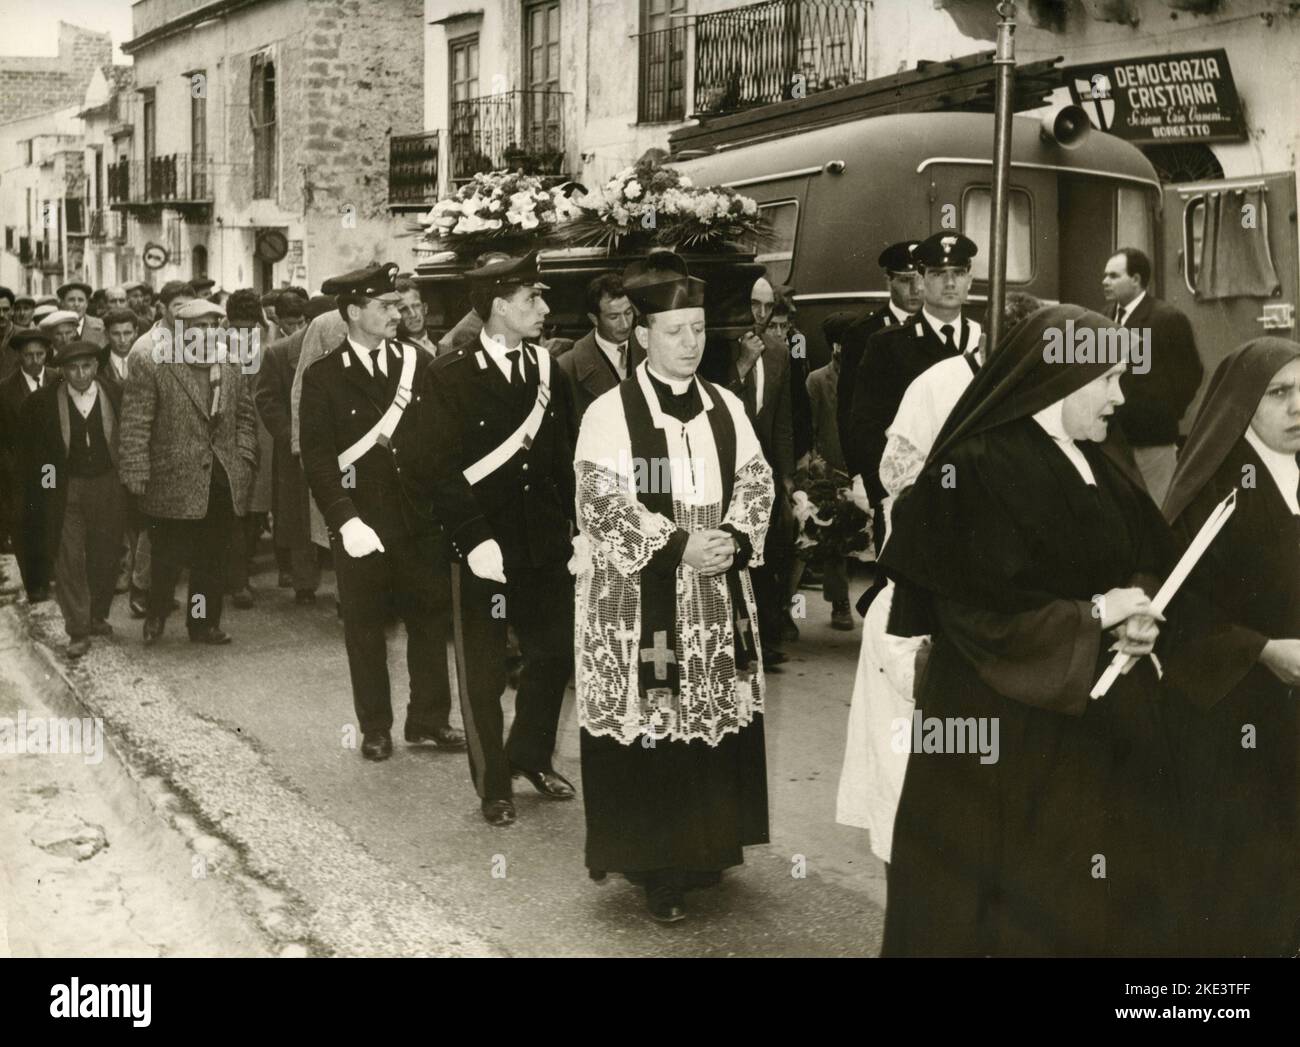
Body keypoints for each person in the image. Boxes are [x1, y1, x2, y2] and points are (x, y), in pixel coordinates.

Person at [876, 303, 1181, 957]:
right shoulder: (977, 466)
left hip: (1080, 730)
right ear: (1063, 375)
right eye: (1109, 379)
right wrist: (1095, 614)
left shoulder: (1101, 460)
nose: (1120, 398)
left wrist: (1138, 616)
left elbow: (1142, 562)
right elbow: (975, 620)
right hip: (994, 734)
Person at [573, 251, 774, 922]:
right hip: (640, 595)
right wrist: (679, 544)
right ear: (642, 334)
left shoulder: (727, 406)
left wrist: (735, 539)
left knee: (709, 710)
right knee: (655, 716)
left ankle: (704, 848)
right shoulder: (610, 411)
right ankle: (656, 867)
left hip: (714, 588)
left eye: (698, 329)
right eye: (674, 331)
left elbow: (756, 479)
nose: (690, 343)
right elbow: (601, 500)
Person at [835, 293, 1040, 864]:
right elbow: (895, 475)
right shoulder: (937, 383)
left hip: (1003, 594)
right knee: (913, 745)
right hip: (928, 584)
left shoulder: (1043, 392)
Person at [410, 251, 577, 826]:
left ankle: (530, 754)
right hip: (482, 546)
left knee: (554, 653)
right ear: (500, 307)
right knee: (482, 672)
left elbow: (562, 459)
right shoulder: (449, 374)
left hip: (544, 544)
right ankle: (494, 785)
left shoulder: (549, 370)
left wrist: (575, 529)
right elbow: (435, 467)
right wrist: (473, 536)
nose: (544, 308)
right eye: (534, 299)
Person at [1160, 338, 1300, 957]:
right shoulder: (1217, 483)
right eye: (1280, 394)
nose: (1298, 407)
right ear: (1243, 403)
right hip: (1237, 715)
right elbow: (1175, 610)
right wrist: (1261, 650)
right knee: (1243, 880)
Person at [299, 263, 465, 762]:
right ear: (353, 312)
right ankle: (375, 726)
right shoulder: (323, 376)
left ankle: (429, 718)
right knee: (365, 627)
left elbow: (436, 442)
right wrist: (344, 520)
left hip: (417, 520)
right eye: (385, 306)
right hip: (361, 524)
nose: (398, 313)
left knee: (430, 621)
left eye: (397, 304)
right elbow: (318, 458)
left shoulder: (417, 362)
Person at [118, 298, 258, 645]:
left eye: (214, 326)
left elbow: (244, 414)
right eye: (199, 327)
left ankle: (202, 623)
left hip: (220, 478)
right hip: (171, 479)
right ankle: (155, 615)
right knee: (165, 557)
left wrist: (244, 456)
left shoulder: (229, 362)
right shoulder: (152, 362)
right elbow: (136, 422)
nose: (208, 333)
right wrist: (136, 470)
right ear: (181, 330)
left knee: (211, 560)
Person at [847, 232, 982, 526]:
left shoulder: (985, 341)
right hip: (911, 497)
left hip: (976, 494)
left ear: (970, 280)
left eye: (958, 273)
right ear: (921, 280)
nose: (950, 283)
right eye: (938, 273)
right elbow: (865, 426)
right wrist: (885, 495)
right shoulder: (888, 345)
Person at [18, 339, 125, 658]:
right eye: (73, 368)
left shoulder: (115, 394)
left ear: (96, 366)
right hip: (67, 488)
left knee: (106, 553)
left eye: (87, 366)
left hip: (108, 484)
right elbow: (37, 456)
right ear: (61, 371)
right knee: (68, 557)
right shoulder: (43, 402)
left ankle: (96, 615)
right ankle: (77, 629)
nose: (80, 374)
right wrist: (50, 490)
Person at [726, 276, 795, 669]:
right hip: (725, 465)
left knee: (768, 555)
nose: (762, 315)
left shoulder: (779, 351)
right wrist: (742, 364)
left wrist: (786, 476)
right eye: (755, 305)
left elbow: (782, 420)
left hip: (763, 468)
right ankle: (737, 642)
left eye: (769, 307)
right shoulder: (720, 346)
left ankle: (764, 640)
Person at [1102, 247, 1203, 504]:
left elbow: (1189, 374)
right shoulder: (1103, 318)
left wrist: (1165, 411)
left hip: (1152, 441)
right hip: (1113, 440)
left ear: (1136, 280)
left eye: (1114, 276)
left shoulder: (1167, 319)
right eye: (1105, 275)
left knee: (1158, 511)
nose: (1105, 281)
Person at [256, 296, 334, 603]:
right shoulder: (279, 352)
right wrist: (292, 436)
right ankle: (304, 581)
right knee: (301, 515)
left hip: (338, 446)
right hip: (297, 450)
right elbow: (266, 399)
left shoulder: (348, 346)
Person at [838, 241, 923, 477]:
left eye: (921, 279)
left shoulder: (939, 330)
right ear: (888, 281)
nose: (916, 289)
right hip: (881, 460)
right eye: (906, 280)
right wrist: (858, 474)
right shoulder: (863, 333)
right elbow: (848, 411)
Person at [223, 290, 275, 609]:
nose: (242, 334)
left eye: (248, 328)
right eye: (238, 328)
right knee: (237, 510)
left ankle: (241, 569)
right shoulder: (215, 344)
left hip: (256, 431)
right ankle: (238, 579)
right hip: (237, 432)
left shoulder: (269, 342)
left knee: (249, 508)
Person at [804, 311, 856, 630]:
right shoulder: (817, 380)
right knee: (834, 539)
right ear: (835, 346)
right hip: (831, 468)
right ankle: (839, 602)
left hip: (861, 468)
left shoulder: (867, 374)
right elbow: (808, 426)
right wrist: (814, 459)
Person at [1, 329, 58, 600]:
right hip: (21, 473)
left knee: (54, 520)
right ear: (19, 357)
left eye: (39, 354)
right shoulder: (5, 390)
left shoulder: (58, 380)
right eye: (28, 355)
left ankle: (52, 574)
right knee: (26, 525)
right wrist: (13, 468)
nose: (35, 360)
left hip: (55, 468)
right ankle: (35, 583)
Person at [557, 272, 642, 428]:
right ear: (594, 319)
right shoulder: (567, 368)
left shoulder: (654, 350)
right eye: (614, 317)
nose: (625, 324)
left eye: (628, 313)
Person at [394, 276, 436, 354]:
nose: (413, 314)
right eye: (403, 309)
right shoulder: (396, 351)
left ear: (425, 308)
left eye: (416, 306)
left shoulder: (442, 339)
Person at [58, 282, 106, 346]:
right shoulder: (56, 327)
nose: (76, 304)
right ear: (62, 303)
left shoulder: (101, 326)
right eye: (71, 300)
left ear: (86, 304)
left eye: (81, 300)